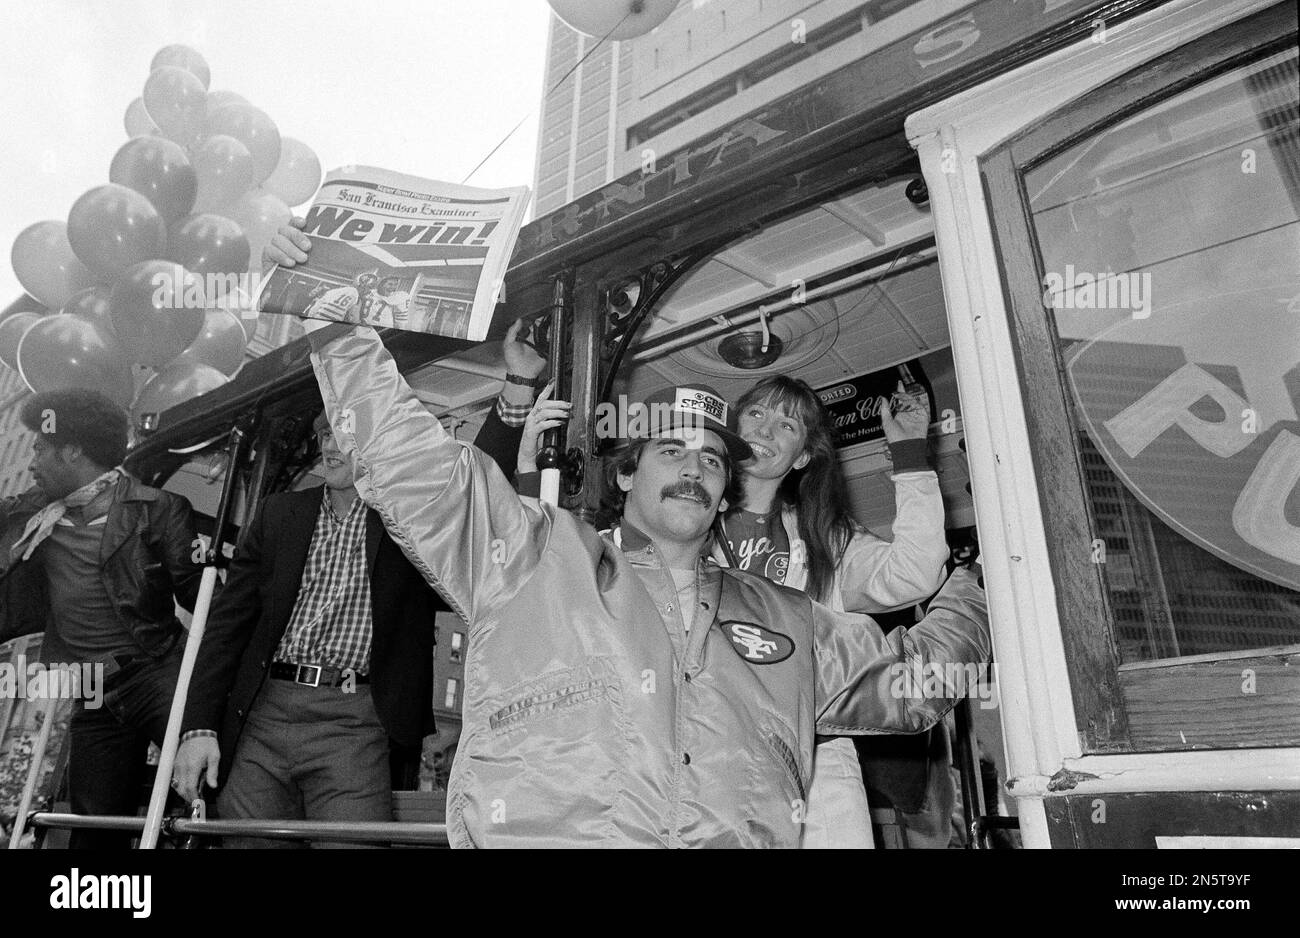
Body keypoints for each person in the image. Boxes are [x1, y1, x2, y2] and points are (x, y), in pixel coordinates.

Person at [266, 220, 990, 848]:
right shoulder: (536, 560)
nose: (694, 468)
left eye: (711, 458)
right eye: (672, 450)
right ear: (625, 475)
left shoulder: (786, 618)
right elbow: (410, 462)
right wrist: (331, 320)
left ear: (724, 487)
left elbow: (911, 686)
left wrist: (981, 584)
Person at [171, 321, 544, 847]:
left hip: (357, 721)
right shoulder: (280, 514)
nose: (328, 446)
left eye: (342, 435)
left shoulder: (409, 518)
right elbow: (225, 630)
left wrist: (518, 385)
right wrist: (198, 728)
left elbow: (471, 494)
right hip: (264, 710)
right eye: (324, 433)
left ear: (371, 446)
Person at [720, 376, 951, 848]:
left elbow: (916, 571)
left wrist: (908, 453)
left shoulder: (828, 539)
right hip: (712, 748)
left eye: (787, 424)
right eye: (756, 414)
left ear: (803, 456)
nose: (766, 430)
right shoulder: (688, 519)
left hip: (818, 756)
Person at [0, 390, 203, 848]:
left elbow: (205, 597)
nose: (31, 461)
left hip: (155, 673)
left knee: (207, 783)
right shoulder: (32, 513)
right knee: (94, 828)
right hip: (91, 688)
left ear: (72, 451)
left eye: (39, 449)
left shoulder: (156, 509)